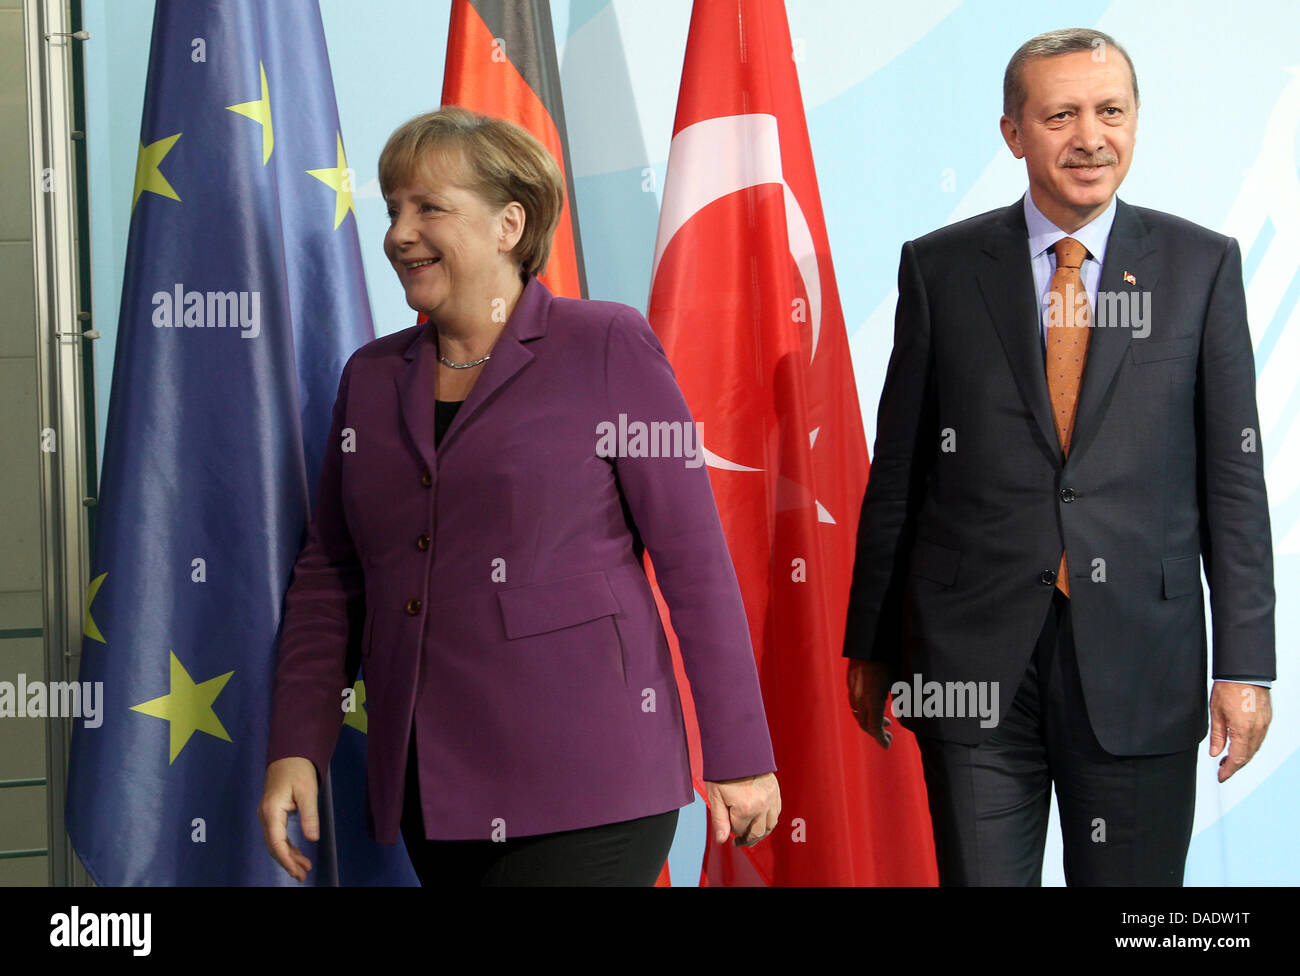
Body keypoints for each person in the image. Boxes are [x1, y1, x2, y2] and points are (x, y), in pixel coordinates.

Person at [258, 107, 780, 885]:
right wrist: (297, 742)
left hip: (589, 780)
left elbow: (693, 561)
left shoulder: (605, 344)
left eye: (429, 207)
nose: (400, 233)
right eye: (393, 207)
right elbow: (333, 574)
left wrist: (740, 752)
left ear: (510, 224)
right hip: (430, 788)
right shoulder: (370, 376)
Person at [842, 28, 1275, 885]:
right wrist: (871, 639)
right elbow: (900, 471)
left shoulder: (1200, 268)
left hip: (1142, 664)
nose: (1090, 137)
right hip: (971, 665)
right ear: (1013, 133)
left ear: (1137, 122)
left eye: (1111, 111)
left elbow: (1233, 481)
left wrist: (1248, 664)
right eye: (1061, 115)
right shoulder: (940, 268)